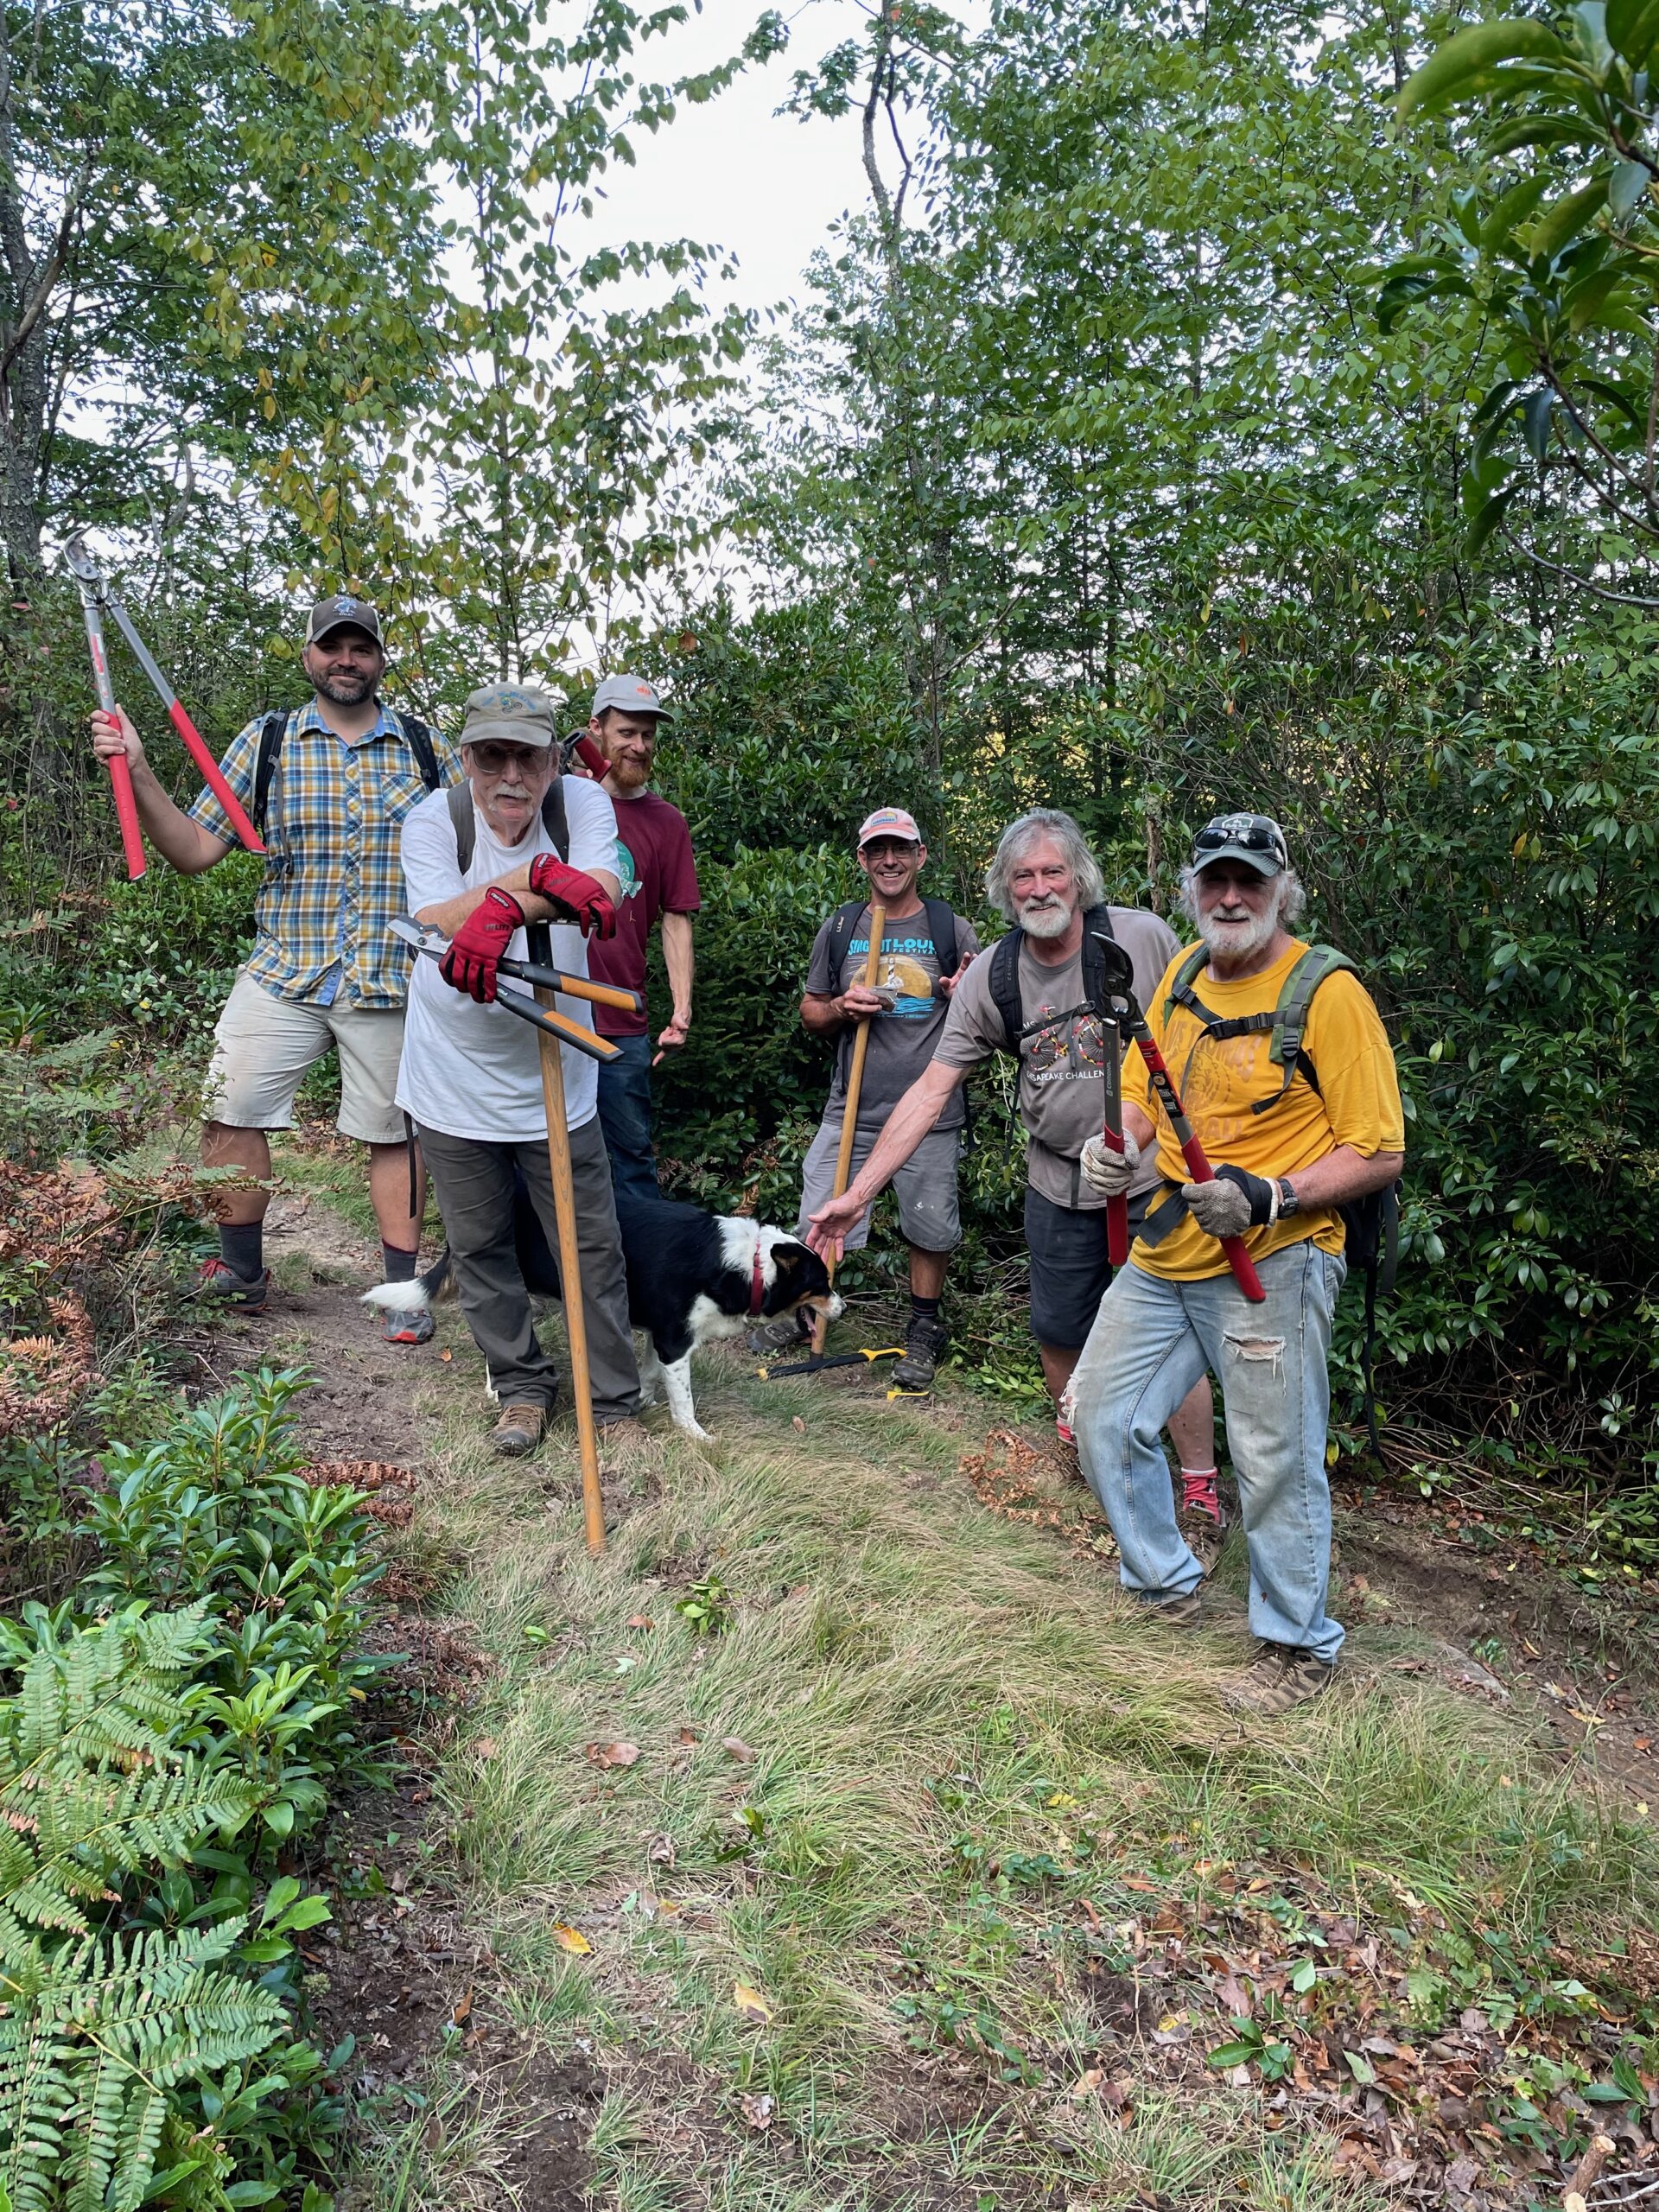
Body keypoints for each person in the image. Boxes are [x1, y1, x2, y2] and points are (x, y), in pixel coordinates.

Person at [1070, 812, 1404, 1716]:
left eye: (1248, 881)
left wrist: (1270, 1195)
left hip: (1279, 1256)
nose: (1229, 896)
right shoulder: (1180, 971)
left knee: (1273, 1455)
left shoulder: (1329, 994)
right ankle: (1164, 1581)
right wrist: (1120, 1145)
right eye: (1215, 879)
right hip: (1173, 1242)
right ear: (1192, 888)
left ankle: (1298, 1646)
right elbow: (1146, 1087)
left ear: (1281, 890)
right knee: (1101, 1413)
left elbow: (1378, 1150)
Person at [808, 809, 1217, 1497]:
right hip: (1058, 1182)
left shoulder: (1142, 940)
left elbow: (1190, 1053)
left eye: (1052, 871)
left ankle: (1200, 1480)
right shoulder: (991, 976)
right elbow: (928, 1093)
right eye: (1022, 876)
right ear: (1004, 887)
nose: (1039, 888)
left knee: (1169, 1333)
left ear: (1079, 878)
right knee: (1058, 1326)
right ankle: (1086, 1447)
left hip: (1154, 1179)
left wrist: (1141, 1137)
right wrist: (858, 1194)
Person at [89, 595, 458, 1340]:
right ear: (309, 656)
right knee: (230, 1109)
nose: (346, 660)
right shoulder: (269, 741)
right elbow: (193, 850)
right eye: (333, 646)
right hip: (283, 968)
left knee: (395, 1133)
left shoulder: (428, 749)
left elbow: (476, 854)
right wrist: (140, 770)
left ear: (382, 659)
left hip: (390, 975)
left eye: (361, 647)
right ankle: (241, 1272)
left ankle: (401, 1292)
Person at [397, 682, 643, 1457]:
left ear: (554, 759)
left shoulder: (581, 805)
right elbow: (432, 920)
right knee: (480, 1247)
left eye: (527, 757)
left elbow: (602, 890)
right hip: (451, 1078)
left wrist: (505, 904)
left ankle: (613, 1403)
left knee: (591, 1244)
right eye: (491, 755)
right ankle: (521, 1387)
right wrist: (535, 885)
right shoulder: (434, 820)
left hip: (559, 1082)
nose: (511, 776)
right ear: (465, 757)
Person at [779, 806, 980, 1389]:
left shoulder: (950, 928)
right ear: (863, 859)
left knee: (930, 1227)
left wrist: (961, 995)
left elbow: (988, 1013)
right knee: (818, 1216)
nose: (889, 860)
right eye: (877, 850)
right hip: (853, 1107)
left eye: (901, 849)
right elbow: (812, 1010)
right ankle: (807, 1313)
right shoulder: (843, 927)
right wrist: (843, 1007)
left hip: (930, 1113)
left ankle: (922, 1329)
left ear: (920, 856)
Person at [579, 674, 699, 1201]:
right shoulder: (562, 802)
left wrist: (681, 1008)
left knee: (630, 1158)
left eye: (648, 736)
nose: (640, 746)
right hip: (543, 1007)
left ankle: (636, 1279)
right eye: (627, 732)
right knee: (534, 1149)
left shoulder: (666, 822)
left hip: (619, 1020)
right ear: (595, 729)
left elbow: (676, 916)